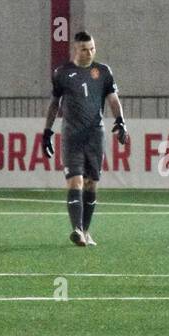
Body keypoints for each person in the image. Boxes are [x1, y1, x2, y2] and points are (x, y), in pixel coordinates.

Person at [41, 31, 128, 246]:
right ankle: (77, 230)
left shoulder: (104, 72)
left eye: (92, 49)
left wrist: (120, 121)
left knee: (91, 184)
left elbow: (113, 99)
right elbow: (55, 104)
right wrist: (47, 131)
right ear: (75, 50)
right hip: (72, 135)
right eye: (84, 49)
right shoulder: (62, 73)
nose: (89, 53)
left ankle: (86, 230)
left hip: (95, 135)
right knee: (76, 180)